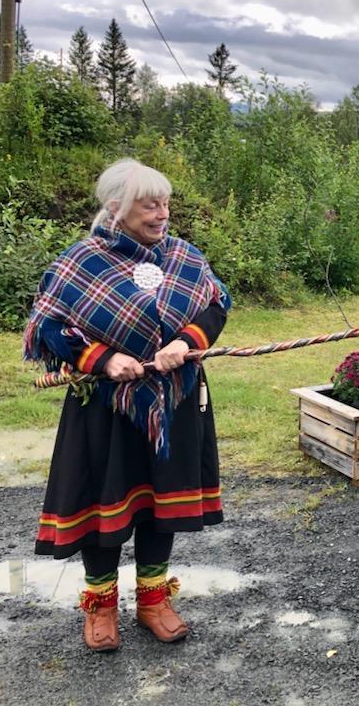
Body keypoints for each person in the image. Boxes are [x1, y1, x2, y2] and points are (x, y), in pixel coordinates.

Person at [23, 159, 231, 651]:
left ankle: (153, 601)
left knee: (162, 503)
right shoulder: (81, 261)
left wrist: (186, 341)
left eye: (165, 202)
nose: (162, 214)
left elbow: (215, 304)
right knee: (105, 506)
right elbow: (49, 325)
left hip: (173, 402)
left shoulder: (183, 255)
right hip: (104, 408)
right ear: (115, 207)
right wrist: (102, 358)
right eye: (149, 204)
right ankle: (100, 608)